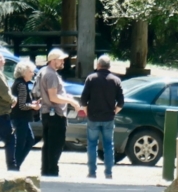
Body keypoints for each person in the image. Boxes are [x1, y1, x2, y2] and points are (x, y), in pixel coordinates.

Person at [36, 48, 80, 177]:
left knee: (48, 144)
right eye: (60, 60)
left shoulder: (43, 71)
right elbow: (53, 97)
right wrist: (73, 102)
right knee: (56, 144)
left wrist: (67, 96)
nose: (63, 62)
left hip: (46, 113)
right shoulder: (51, 75)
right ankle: (52, 171)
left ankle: (46, 171)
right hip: (55, 114)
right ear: (53, 60)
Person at [80, 55, 124, 179]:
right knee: (109, 145)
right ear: (109, 66)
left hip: (93, 117)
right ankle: (109, 173)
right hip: (108, 118)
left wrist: (87, 112)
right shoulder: (116, 80)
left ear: (98, 65)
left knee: (92, 144)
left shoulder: (91, 78)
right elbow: (121, 103)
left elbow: (83, 100)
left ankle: (92, 172)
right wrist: (114, 112)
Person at [11, 60, 41, 171]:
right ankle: (14, 166)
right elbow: (22, 106)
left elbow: (22, 103)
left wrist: (32, 104)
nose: (32, 74)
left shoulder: (18, 83)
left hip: (20, 117)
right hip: (20, 118)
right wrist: (34, 107)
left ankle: (16, 165)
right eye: (31, 71)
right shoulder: (22, 85)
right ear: (24, 72)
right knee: (22, 142)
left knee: (29, 140)